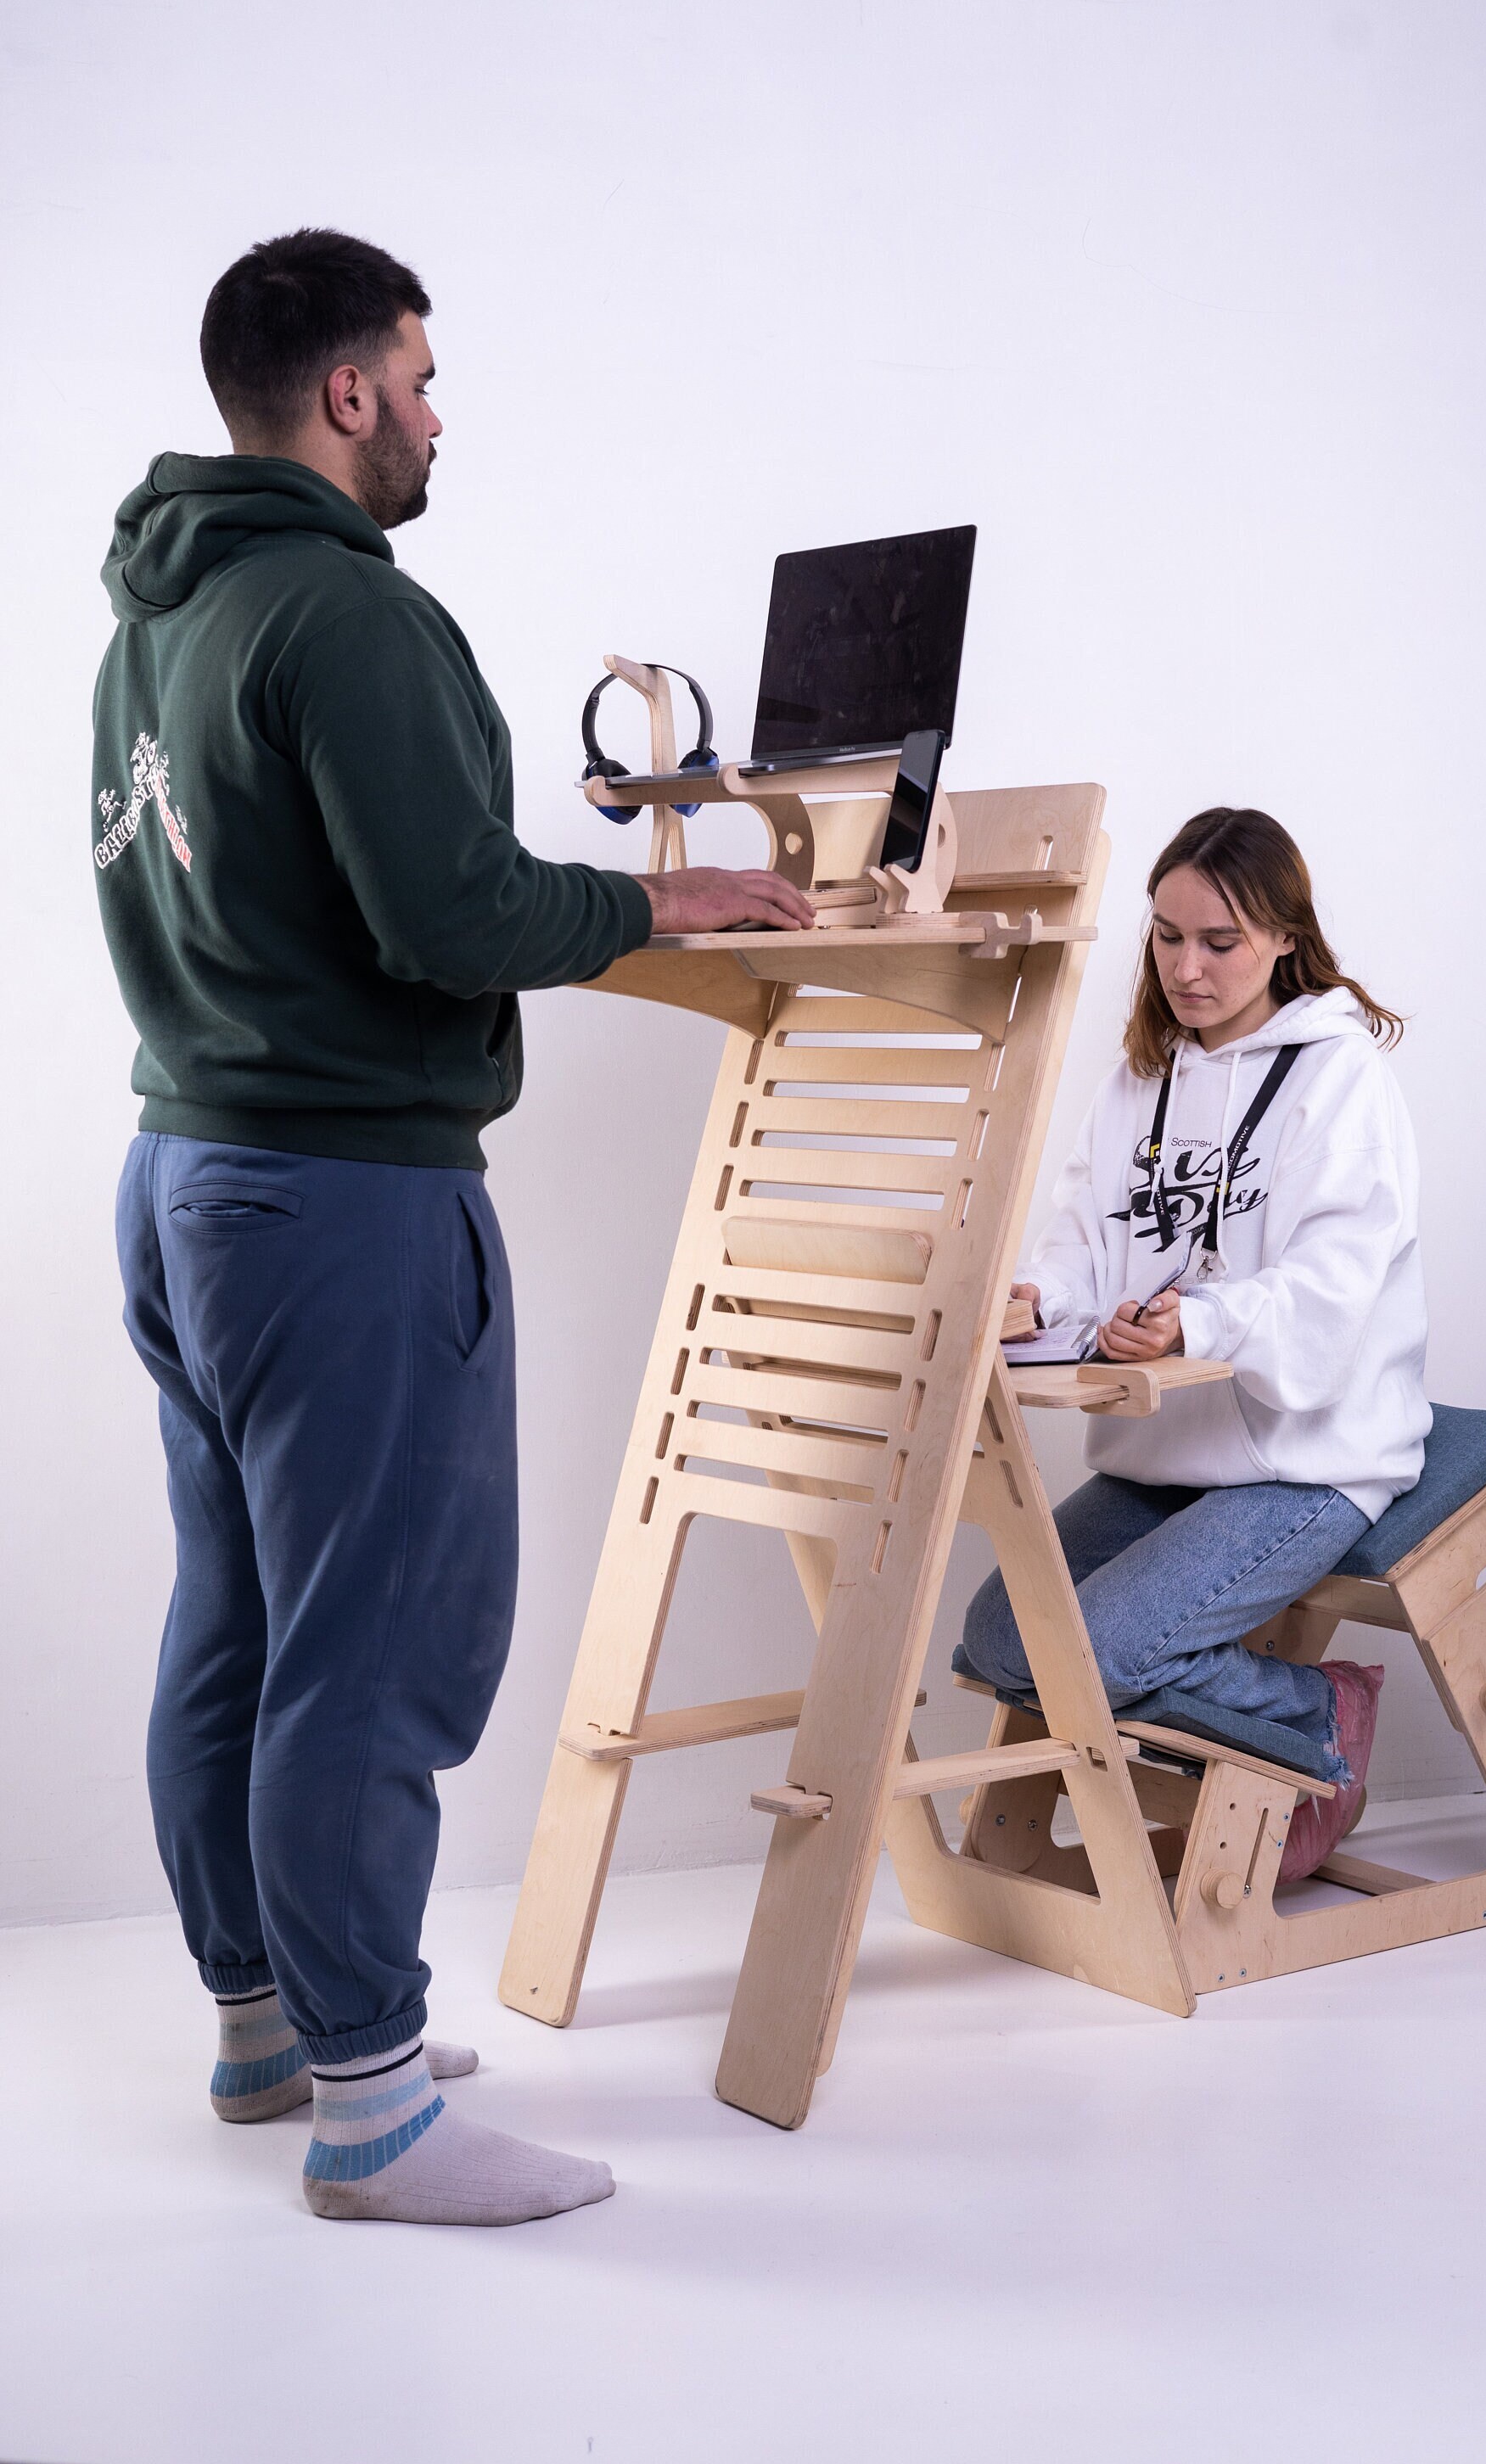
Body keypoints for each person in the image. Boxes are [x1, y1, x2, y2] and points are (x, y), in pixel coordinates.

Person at [93, 227, 816, 2226]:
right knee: (371, 1645)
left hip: (187, 1174)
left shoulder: (156, 615)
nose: (434, 408)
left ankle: (272, 2021)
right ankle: (375, 2110)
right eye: (417, 371)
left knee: (237, 1617)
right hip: (335, 1194)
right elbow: (451, 916)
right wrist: (659, 900)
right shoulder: (341, 612)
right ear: (344, 392)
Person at [960, 806, 1429, 1880]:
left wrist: (1199, 1318)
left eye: (1219, 942)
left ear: (1282, 938)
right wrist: (1046, 1299)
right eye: (1167, 937)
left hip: (1304, 1457)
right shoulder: (1140, 1077)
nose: (1187, 966)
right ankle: (1283, 1726)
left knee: (1102, 1652)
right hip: (1167, 1449)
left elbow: (1336, 1280)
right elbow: (1083, 1240)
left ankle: (1319, 1713)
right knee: (1001, 1640)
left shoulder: (1337, 1076)